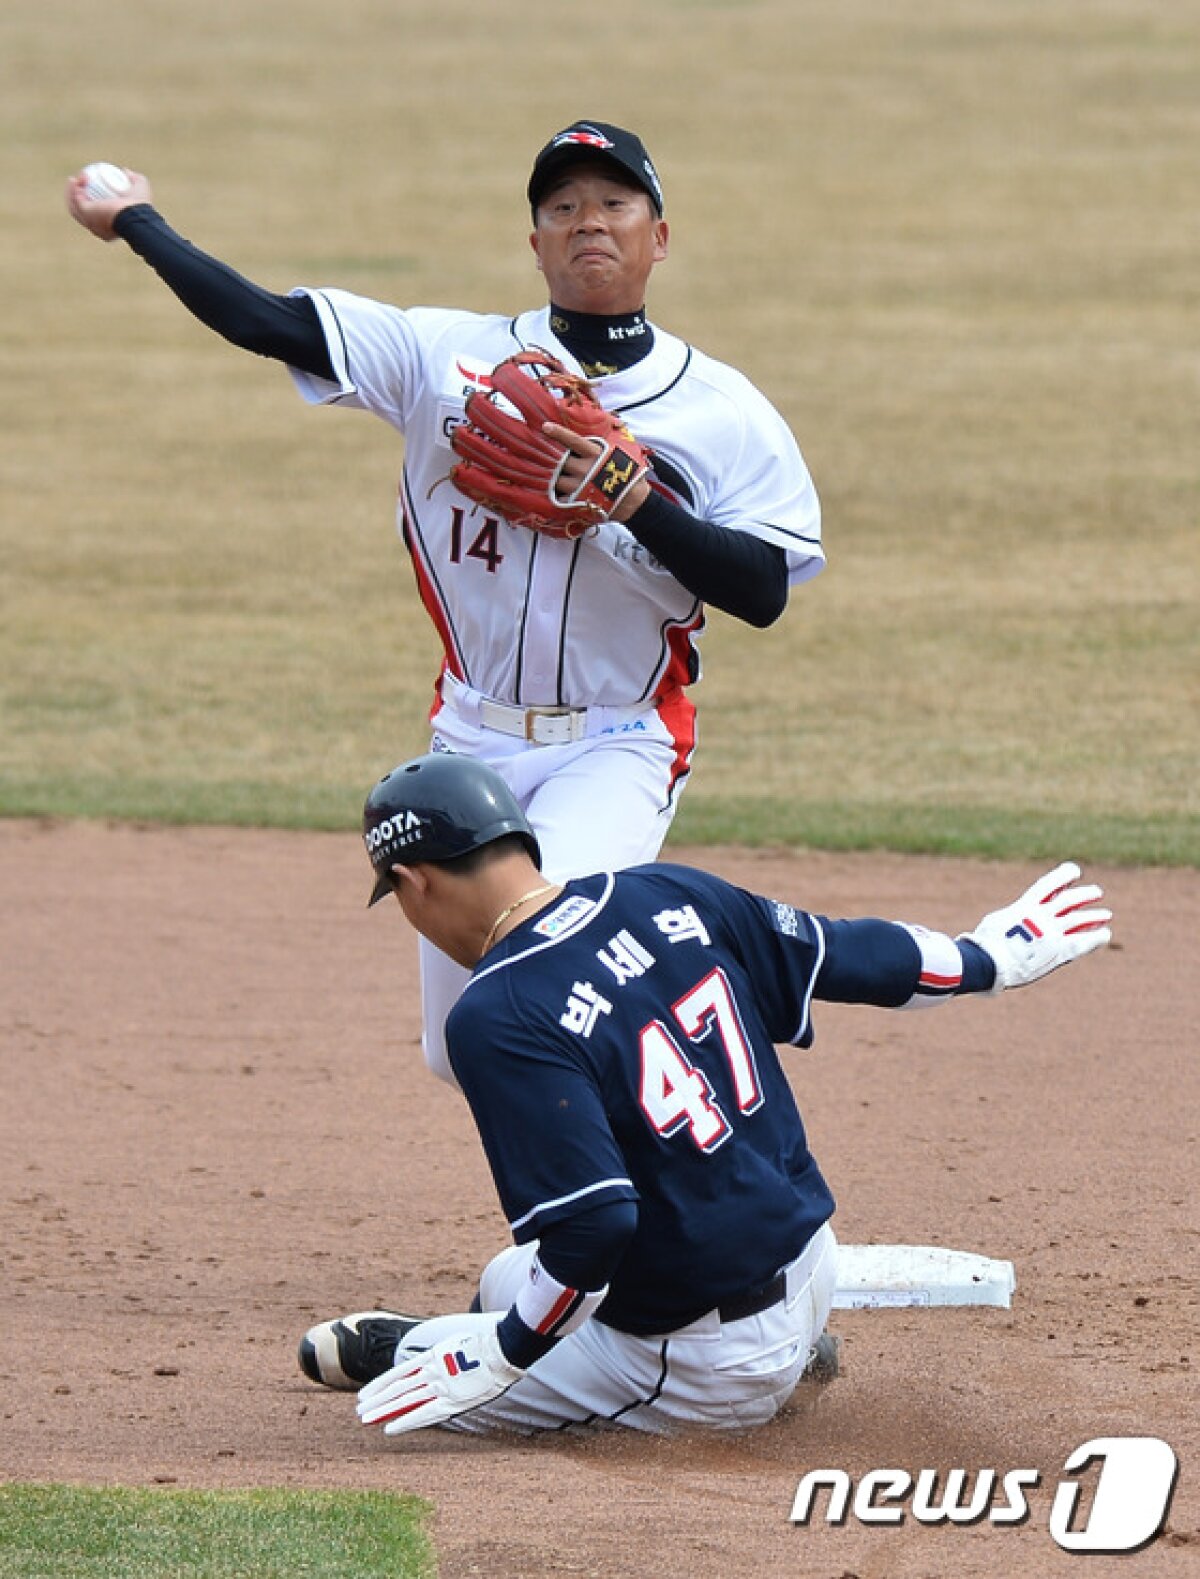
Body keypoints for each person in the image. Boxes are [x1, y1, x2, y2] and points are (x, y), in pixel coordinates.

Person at [66, 122, 824, 1086]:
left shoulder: (725, 411)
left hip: (618, 743)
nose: (588, 221)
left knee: (542, 973)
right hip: (469, 743)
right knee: (459, 1048)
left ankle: (689, 1167)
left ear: (658, 236)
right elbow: (266, 321)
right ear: (536, 242)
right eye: (562, 207)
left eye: (613, 203)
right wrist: (137, 219)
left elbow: (761, 592)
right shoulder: (443, 357)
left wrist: (634, 499)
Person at [296, 752, 1112, 1437]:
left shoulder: (496, 1012)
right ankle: (781, 1354)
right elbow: (847, 952)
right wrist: (985, 959)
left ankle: (448, 1344)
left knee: (429, 1381)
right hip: (808, 1262)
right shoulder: (665, 892)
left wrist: (505, 1354)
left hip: (694, 1361)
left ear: (414, 881)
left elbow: (594, 1229)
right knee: (511, 1272)